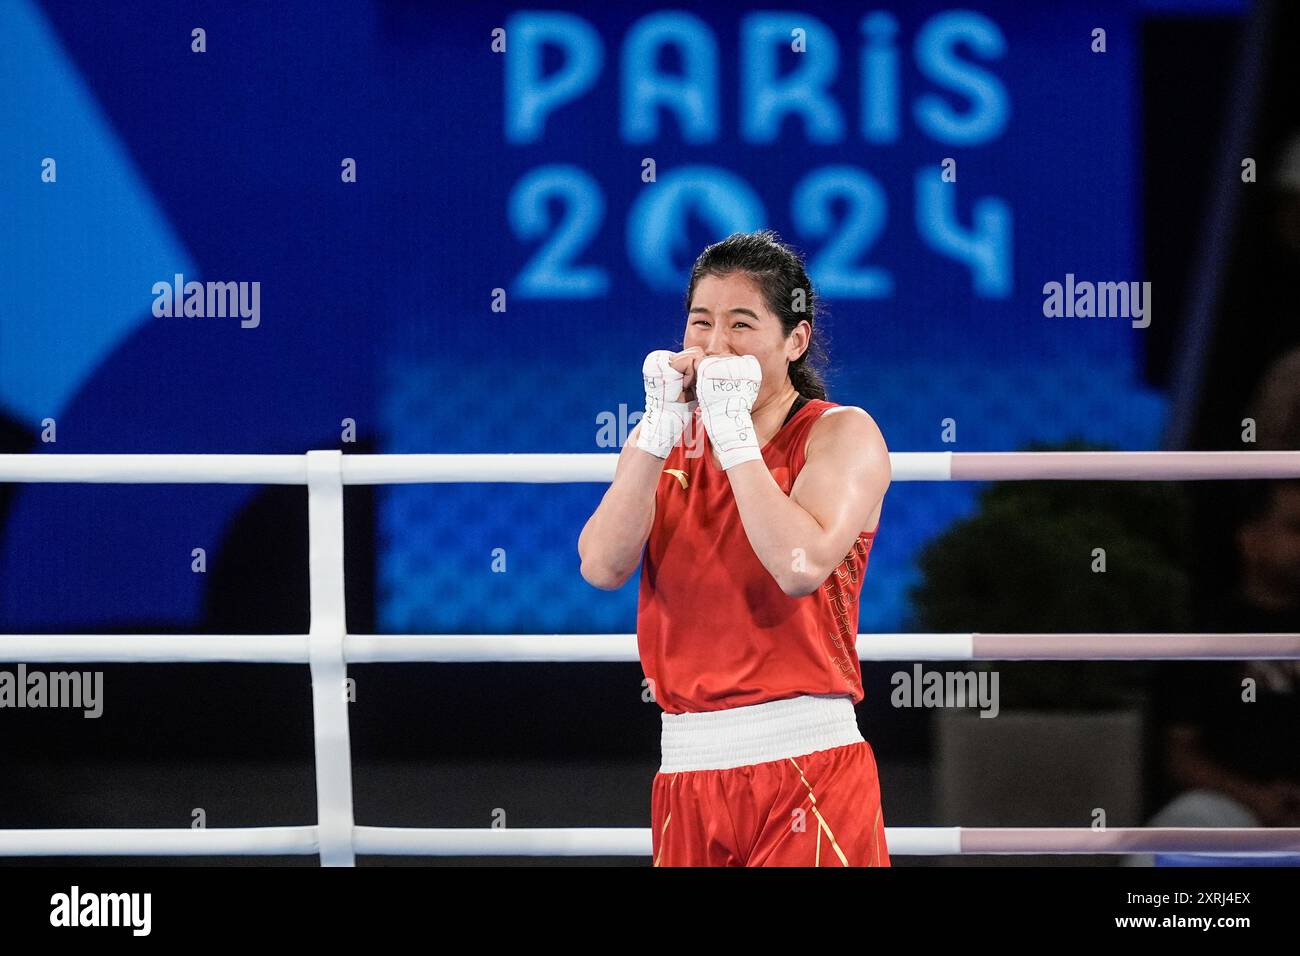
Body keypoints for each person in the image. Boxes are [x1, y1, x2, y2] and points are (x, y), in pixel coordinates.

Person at [578, 231, 892, 866]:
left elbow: (798, 568)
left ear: (794, 340)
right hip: (687, 772)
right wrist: (658, 428)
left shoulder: (841, 434)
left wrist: (733, 438)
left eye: (741, 325)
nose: (715, 345)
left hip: (807, 764)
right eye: (701, 323)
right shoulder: (667, 438)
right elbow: (602, 565)